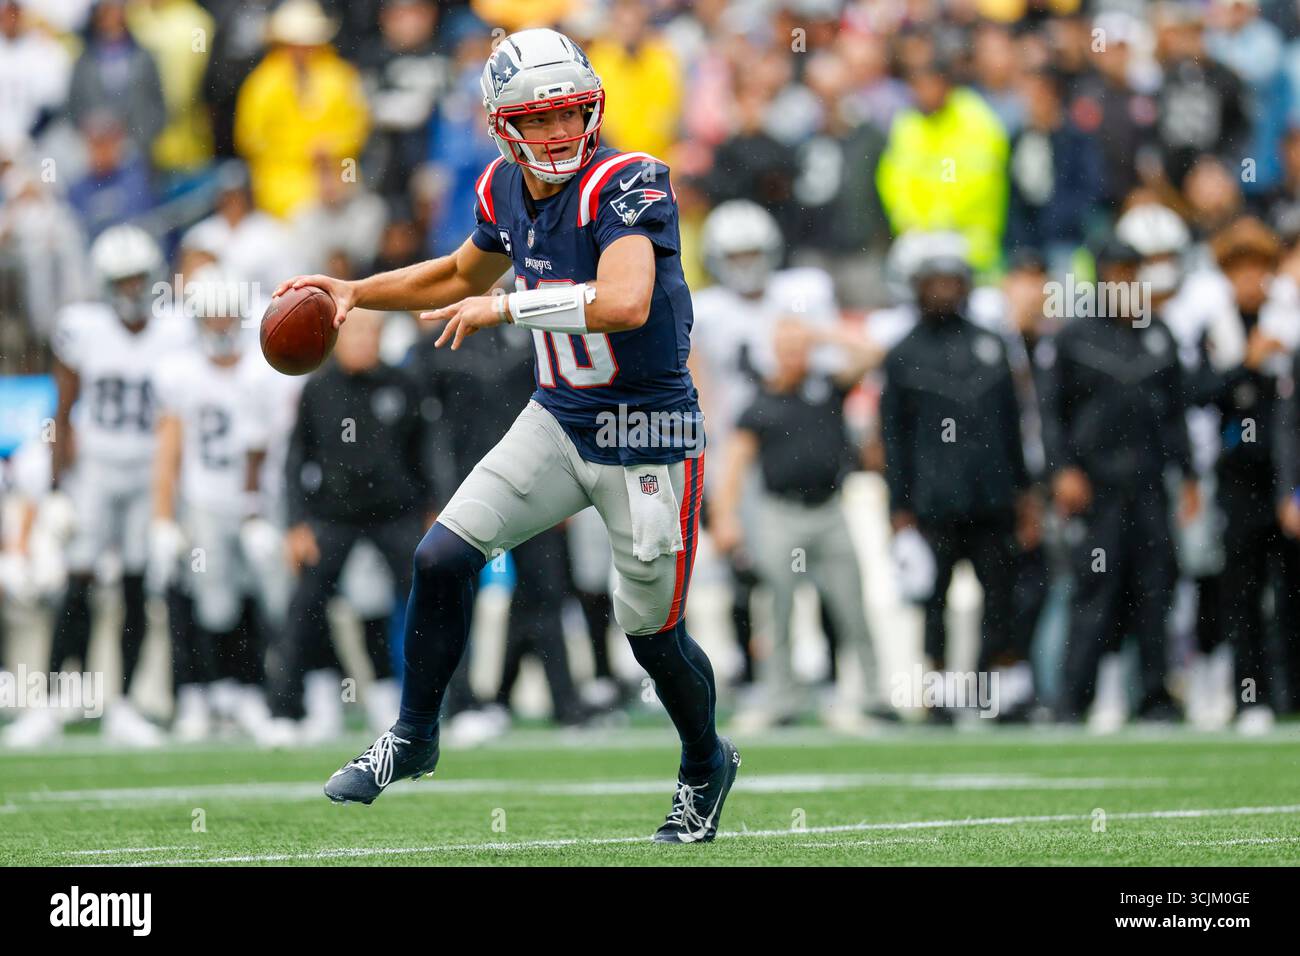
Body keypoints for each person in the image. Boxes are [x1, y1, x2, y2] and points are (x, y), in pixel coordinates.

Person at [275, 28, 738, 843]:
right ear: (501, 124)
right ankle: (415, 735)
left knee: (652, 637)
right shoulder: (501, 186)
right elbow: (459, 273)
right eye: (539, 115)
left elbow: (626, 300)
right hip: (561, 416)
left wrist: (509, 306)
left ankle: (705, 761)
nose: (559, 131)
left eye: (570, 112)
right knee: (442, 556)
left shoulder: (628, 181)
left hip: (648, 433)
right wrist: (354, 290)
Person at [3, 225, 190, 748]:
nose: (132, 291)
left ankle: (124, 705)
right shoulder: (83, 328)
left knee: (134, 585)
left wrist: (169, 500)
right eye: (122, 282)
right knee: (77, 583)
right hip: (97, 471)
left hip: (146, 472)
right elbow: (63, 410)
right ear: (107, 284)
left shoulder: (174, 331)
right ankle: (52, 701)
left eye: (138, 280)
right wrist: (60, 487)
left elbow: (178, 419)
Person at [1042, 237, 1200, 724]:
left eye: (1131, 272)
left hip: (1150, 485)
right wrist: (1062, 469)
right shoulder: (1074, 338)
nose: (1124, 282)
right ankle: (1073, 699)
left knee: (1156, 590)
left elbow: (1175, 414)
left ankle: (1153, 697)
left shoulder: (1159, 334)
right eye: (1115, 272)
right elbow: (1052, 413)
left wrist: (1188, 474)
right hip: (1098, 489)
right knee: (1095, 591)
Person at [879, 232, 1036, 716]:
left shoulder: (992, 344)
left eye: (953, 280)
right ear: (917, 285)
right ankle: (940, 690)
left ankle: (1001, 687)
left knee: (1002, 595)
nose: (945, 290)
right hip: (933, 502)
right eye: (935, 281)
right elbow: (893, 439)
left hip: (993, 497)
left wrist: (1027, 494)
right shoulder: (902, 352)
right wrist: (899, 508)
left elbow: (1014, 427)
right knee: (933, 599)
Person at [710, 318, 887, 730]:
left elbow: (874, 355)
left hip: (829, 511)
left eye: (799, 346)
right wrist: (725, 517)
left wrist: (823, 334)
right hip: (780, 515)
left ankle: (874, 695)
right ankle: (779, 699)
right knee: (778, 608)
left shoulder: (826, 387)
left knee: (851, 605)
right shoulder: (759, 402)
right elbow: (734, 465)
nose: (794, 355)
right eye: (785, 347)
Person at [150, 268, 278, 742]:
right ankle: (209, 695)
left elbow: (261, 448)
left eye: (228, 314)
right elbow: (169, 450)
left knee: (263, 598)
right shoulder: (180, 373)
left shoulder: (260, 371)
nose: (221, 324)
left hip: (255, 503)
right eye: (213, 315)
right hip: (202, 501)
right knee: (209, 604)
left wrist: (254, 512)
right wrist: (162, 519)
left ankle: (252, 695)